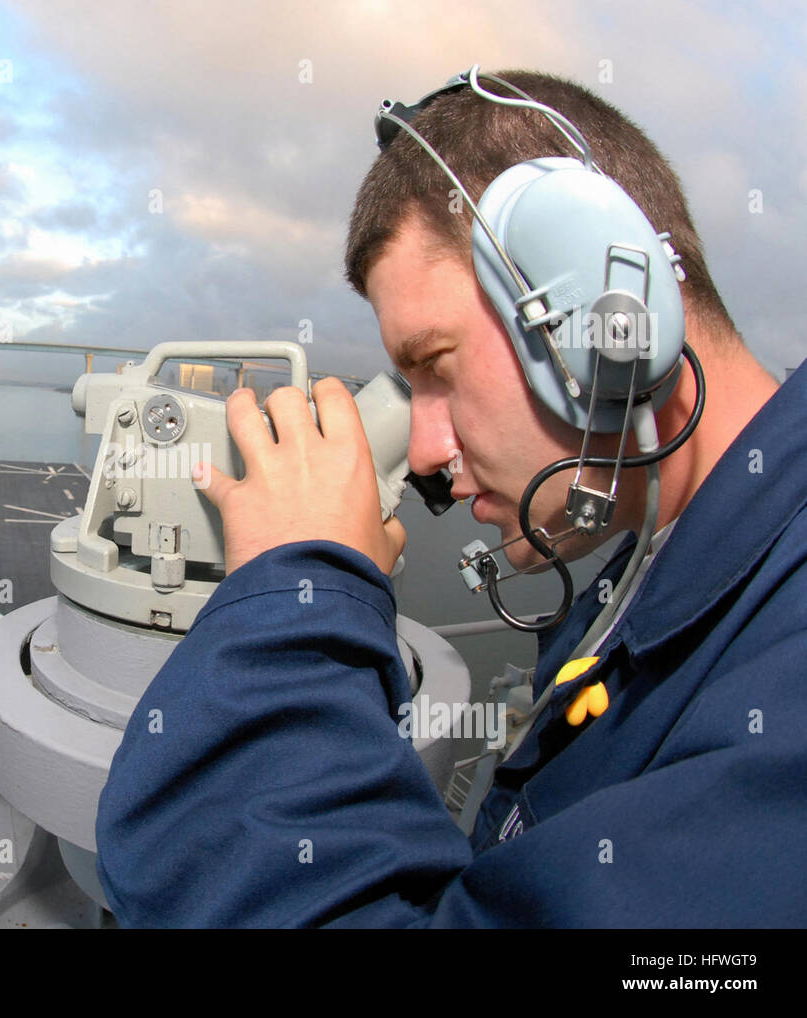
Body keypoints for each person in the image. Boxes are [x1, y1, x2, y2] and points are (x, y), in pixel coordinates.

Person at [94, 68, 806, 927]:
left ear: (606, 311)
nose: (428, 452)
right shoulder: (669, 578)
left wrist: (295, 590)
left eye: (435, 366)